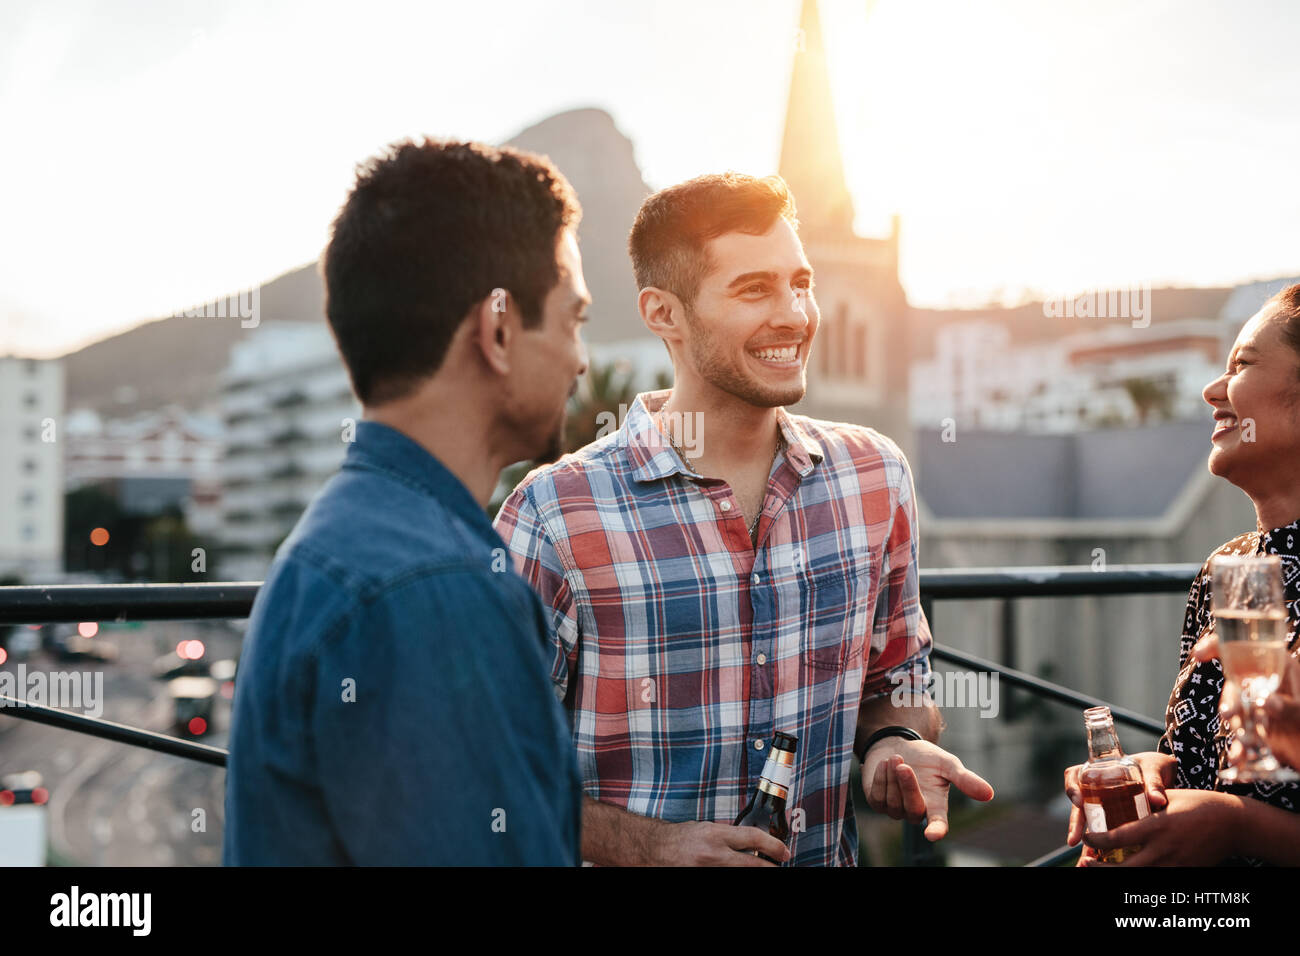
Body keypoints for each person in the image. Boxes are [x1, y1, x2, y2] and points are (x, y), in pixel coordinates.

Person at [494, 172, 993, 866]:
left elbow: (898, 685)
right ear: (663, 313)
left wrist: (894, 745)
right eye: (754, 289)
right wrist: (652, 849)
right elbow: (484, 765)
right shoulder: (554, 515)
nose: (794, 313)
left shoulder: (876, 477)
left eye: (801, 282)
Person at [224, 139, 589, 865]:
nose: (582, 358)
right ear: (498, 329)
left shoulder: (350, 537)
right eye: (573, 318)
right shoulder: (431, 590)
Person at [1064, 282, 1300, 865]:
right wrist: (1154, 779)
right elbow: (1232, 775)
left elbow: (1242, 810)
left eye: (1241, 364)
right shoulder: (1234, 571)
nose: (1211, 390)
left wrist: (1236, 827)